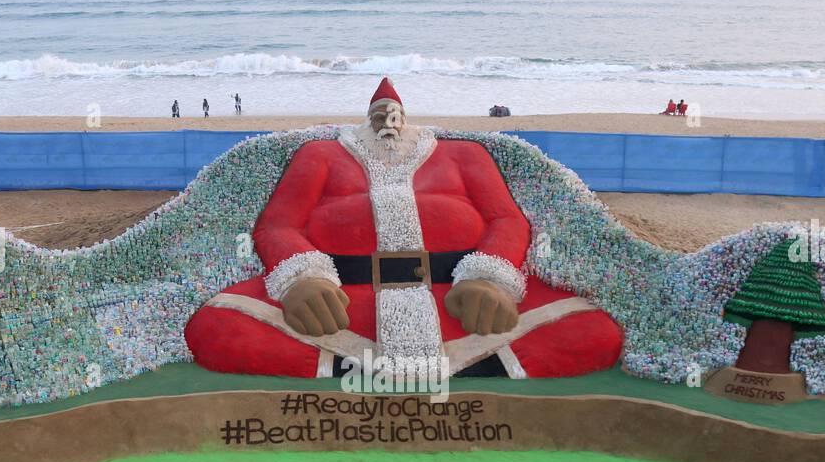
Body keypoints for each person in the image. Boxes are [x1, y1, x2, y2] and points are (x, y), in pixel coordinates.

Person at [182, 76, 627, 379]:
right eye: (379, 112)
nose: (387, 121)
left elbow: (507, 219)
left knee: (594, 330)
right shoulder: (319, 154)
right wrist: (303, 280)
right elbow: (278, 224)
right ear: (367, 117)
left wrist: (491, 280)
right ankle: (373, 368)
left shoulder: (465, 153)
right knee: (217, 329)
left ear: (407, 116)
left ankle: (440, 366)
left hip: (456, 297)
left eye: (394, 112)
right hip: (342, 301)